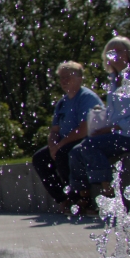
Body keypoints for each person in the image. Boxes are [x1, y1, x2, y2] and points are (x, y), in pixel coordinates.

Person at [68, 38, 130, 215]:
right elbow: (115, 113)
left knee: (90, 145)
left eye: (120, 51)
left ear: (129, 54)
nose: (116, 55)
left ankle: (108, 193)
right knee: (75, 152)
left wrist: (113, 128)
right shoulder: (114, 82)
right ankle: (84, 200)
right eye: (111, 52)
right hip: (121, 133)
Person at [32, 62, 102, 211]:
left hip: (85, 139)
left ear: (80, 78)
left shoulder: (86, 98)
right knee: (40, 158)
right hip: (64, 142)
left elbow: (84, 129)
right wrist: (52, 145)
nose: (64, 81)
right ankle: (62, 199)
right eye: (61, 78)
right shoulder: (62, 103)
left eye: (68, 77)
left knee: (64, 153)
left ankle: (81, 199)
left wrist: (60, 145)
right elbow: (55, 129)